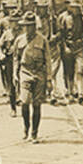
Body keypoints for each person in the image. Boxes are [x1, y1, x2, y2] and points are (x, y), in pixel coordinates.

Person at [14, 12, 50, 142]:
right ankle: (26, 127)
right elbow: (16, 58)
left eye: (30, 26)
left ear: (35, 26)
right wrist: (15, 74)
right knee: (24, 102)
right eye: (26, 26)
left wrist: (49, 79)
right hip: (25, 72)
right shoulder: (19, 40)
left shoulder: (42, 40)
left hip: (39, 73)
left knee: (37, 104)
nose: (28, 28)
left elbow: (48, 60)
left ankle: (34, 133)